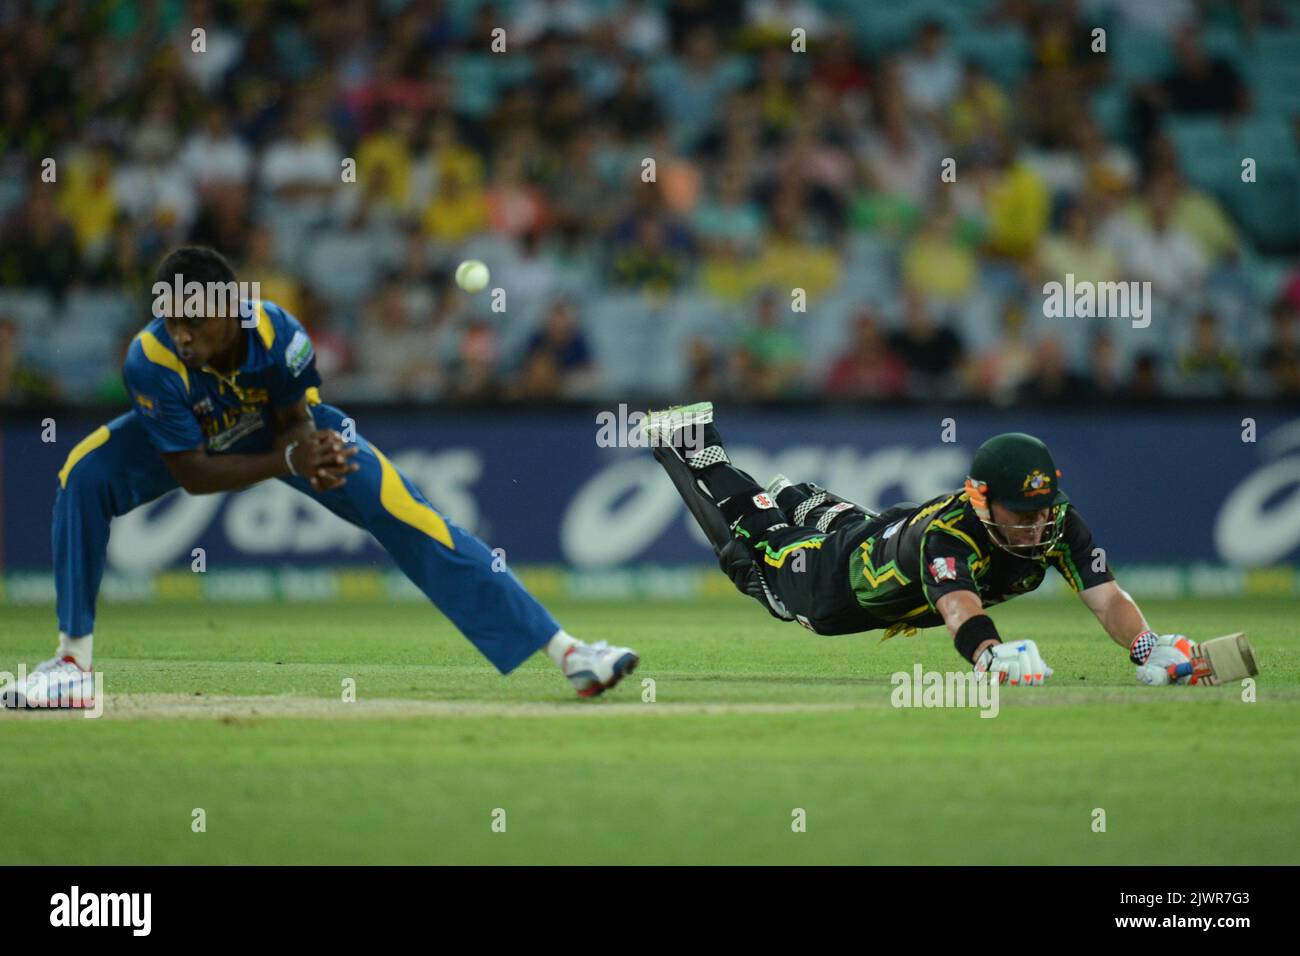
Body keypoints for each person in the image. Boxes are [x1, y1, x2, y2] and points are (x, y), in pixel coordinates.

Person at [4, 247, 638, 709]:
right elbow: (193, 473)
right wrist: (286, 462)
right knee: (82, 471)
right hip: (202, 444)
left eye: (193, 324)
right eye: (171, 320)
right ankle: (71, 664)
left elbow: (290, 421)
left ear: (230, 310)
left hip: (282, 432)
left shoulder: (280, 332)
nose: (181, 334)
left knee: (411, 516)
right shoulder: (152, 361)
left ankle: (570, 655)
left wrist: (313, 454)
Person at [648, 402, 1205, 687]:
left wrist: (1146, 647)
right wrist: (990, 655)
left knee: (856, 526)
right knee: (753, 559)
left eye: (1043, 511)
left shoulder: (1059, 521)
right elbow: (959, 606)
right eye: (1022, 513)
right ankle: (695, 443)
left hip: (881, 531)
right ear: (982, 500)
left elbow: (1106, 595)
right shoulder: (951, 537)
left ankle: (797, 498)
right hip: (831, 584)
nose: (1037, 528)